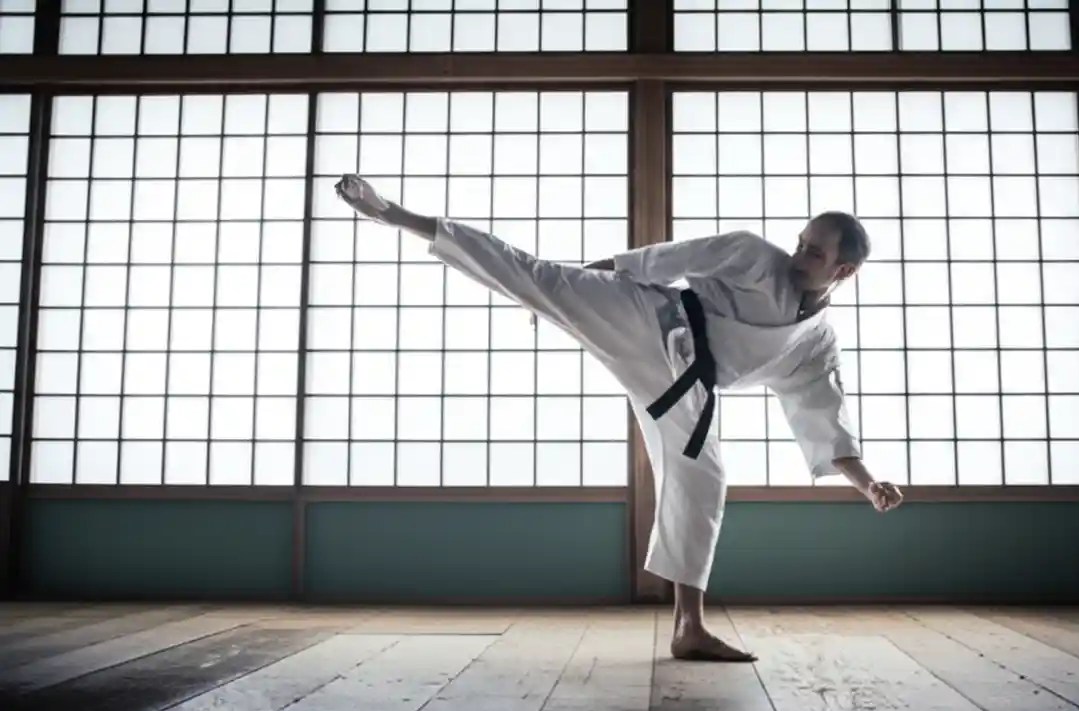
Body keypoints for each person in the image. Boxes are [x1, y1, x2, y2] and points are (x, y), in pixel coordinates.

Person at [333, 173, 904, 662]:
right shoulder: (755, 254)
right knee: (540, 276)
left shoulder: (815, 344)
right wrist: (584, 283)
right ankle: (397, 215)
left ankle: (689, 626)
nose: (797, 254)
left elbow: (824, 417)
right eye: (801, 241)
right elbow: (668, 259)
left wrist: (868, 482)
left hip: (690, 391)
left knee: (705, 482)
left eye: (814, 252)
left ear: (845, 271)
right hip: (653, 321)